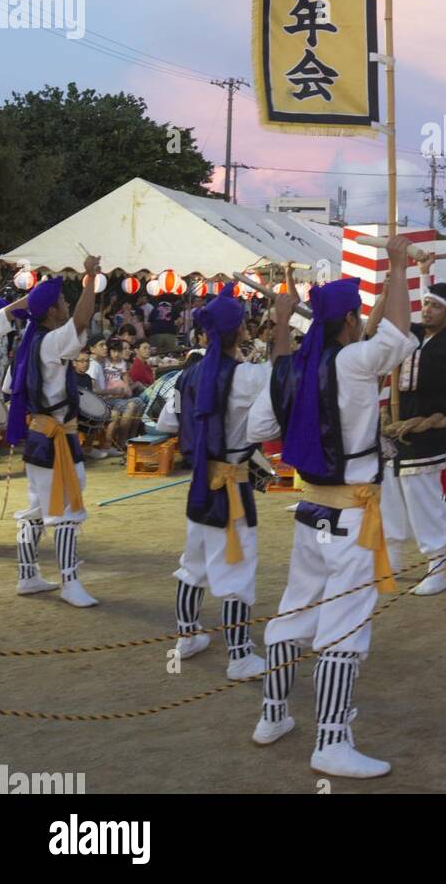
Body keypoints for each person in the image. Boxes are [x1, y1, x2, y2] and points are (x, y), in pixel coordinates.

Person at [248, 241, 418, 778]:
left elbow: (258, 429)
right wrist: (396, 267)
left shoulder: (291, 369)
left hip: (310, 513)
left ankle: (273, 716)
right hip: (349, 520)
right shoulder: (353, 361)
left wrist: (281, 323)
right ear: (349, 320)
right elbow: (400, 337)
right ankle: (331, 742)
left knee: (295, 613)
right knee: (344, 629)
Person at [173, 287, 272, 681]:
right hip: (232, 483)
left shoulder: (189, 374)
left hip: (200, 482)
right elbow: (281, 380)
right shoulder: (246, 376)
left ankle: (186, 635)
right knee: (236, 569)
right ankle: (240, 655)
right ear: (241, 331)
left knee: (193, 562)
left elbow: (170, 423)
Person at [5, 261, 103, 606]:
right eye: (62, 299)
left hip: (42, 436)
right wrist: (90, 282)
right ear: (50, 310)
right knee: (64, 511)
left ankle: (28, 574)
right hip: (54, 437)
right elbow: (80, 321)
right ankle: (69, 582)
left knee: (36, 508)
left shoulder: (35, 341)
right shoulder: (48, 342)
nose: (65, 304)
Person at [381, 258, 446, 596]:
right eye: (426, 305)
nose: (427, 311)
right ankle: (392, 558)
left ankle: (437, 567)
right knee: (390, 495)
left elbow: (442, 393)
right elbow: (398, 326)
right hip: (394, 431)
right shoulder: (413, 333)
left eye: (435, 307)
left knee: (424, 499)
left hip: (426, 430)